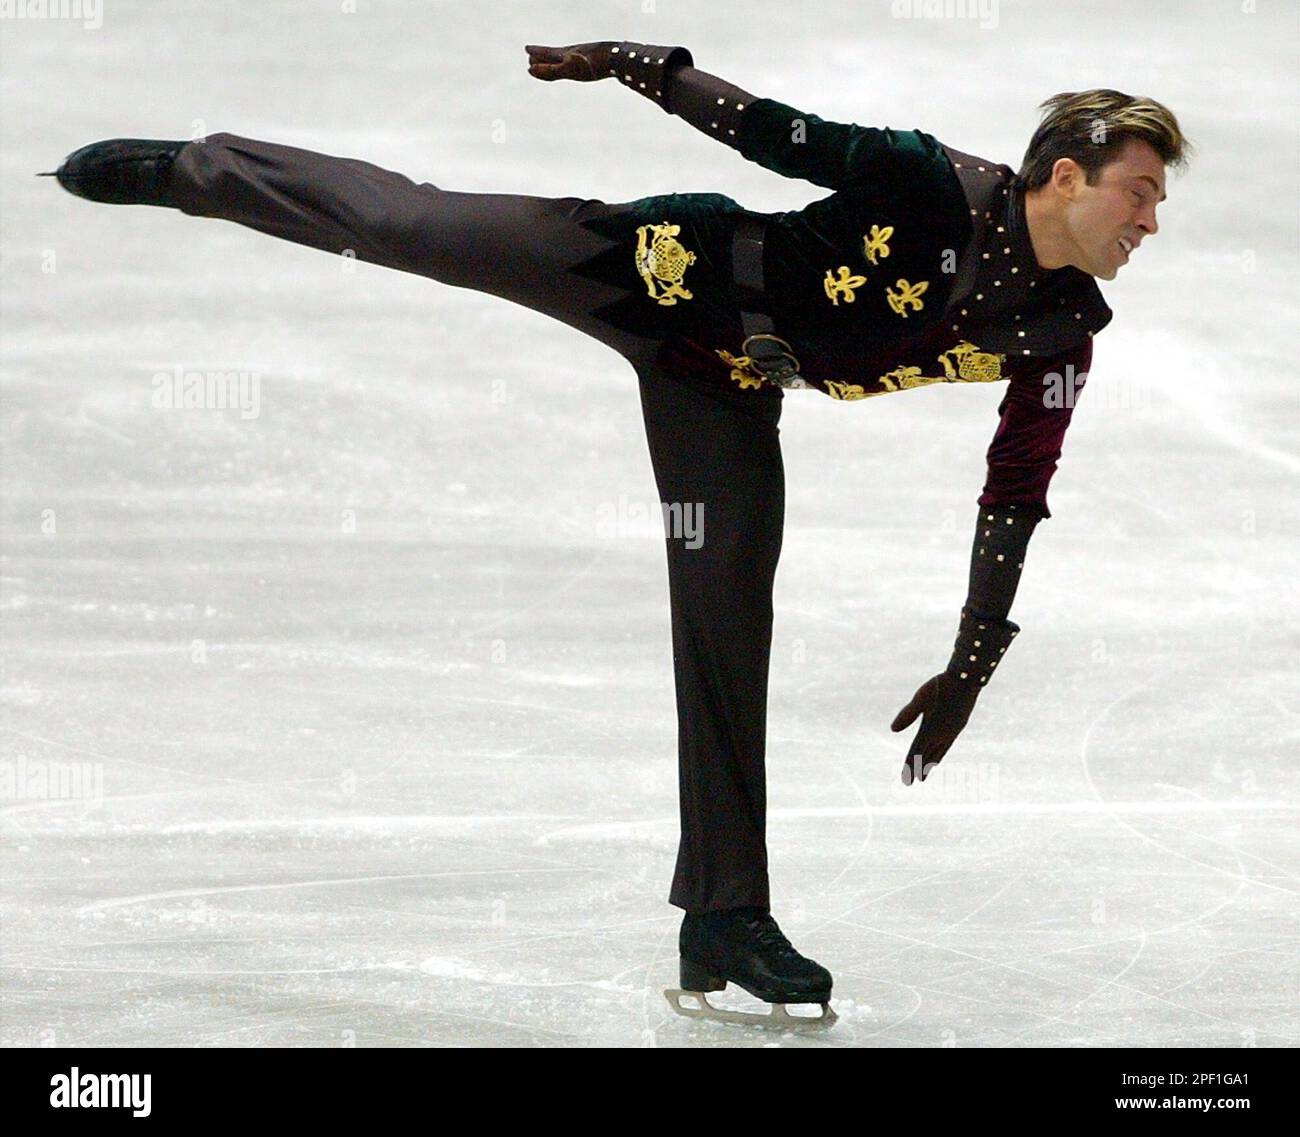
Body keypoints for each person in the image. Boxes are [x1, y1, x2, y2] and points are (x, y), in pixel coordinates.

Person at [45, 39, 1190, 1030]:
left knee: (730, 615)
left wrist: (972, 659)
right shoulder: (927, 179)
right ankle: (195, 170)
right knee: (410, 221)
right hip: (641, 273)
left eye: (1156, 203)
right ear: (1063, 175)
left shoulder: (1058, 327)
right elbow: (774, 134)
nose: (1149, 219)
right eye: (1137, 192)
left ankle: (724, 918)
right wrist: (640, 67)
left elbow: (1014, 489)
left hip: (728, 388)